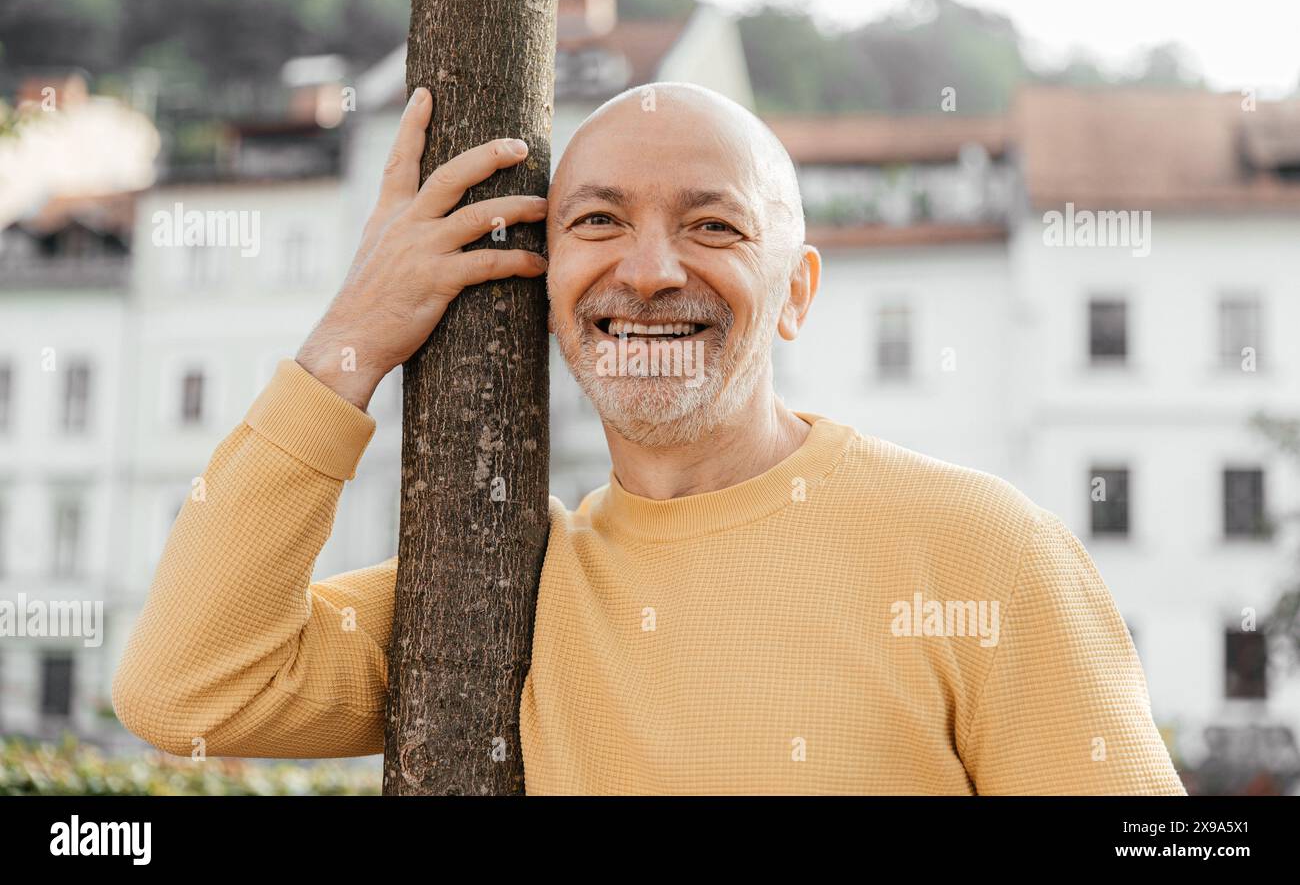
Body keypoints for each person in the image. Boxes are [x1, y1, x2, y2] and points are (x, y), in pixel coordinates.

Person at [112, 82, 1186, 794]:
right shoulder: (505, 582)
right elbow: (186, 687)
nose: (651, 270)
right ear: (542, 283)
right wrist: (353, 337)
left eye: (714, 225)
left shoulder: (982, 546)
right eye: (596, 221)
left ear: (796, 292)